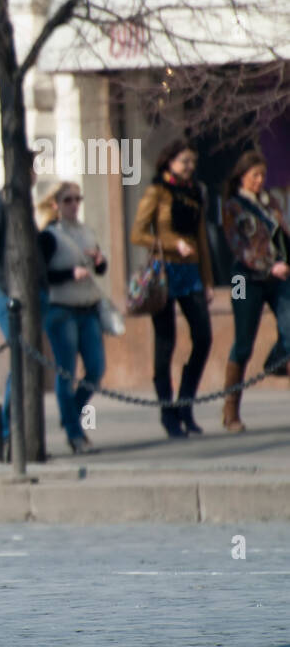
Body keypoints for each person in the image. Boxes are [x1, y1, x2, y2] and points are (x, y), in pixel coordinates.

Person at [131, 140, 213, 438]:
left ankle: (185, 404)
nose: (189, 167)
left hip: (190, 273)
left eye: (192, 162)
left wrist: (207, 280)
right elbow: (137, 234)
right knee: (165, 344)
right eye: (183, 162)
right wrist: (169, 244)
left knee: (203, 337)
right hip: (164, 273)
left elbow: (202, 238)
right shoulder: (157, 192)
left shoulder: (196, 192)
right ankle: (168, 415)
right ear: (169, 163)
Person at [0, 168, 48, 457]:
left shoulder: (24, 203)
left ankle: (24, 438)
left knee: (29, 358)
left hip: (31, 293)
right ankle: (9, 435)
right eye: (28, 168)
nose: (33, 175)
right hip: (8, 295)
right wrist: (10, 286)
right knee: (21, 358)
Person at [220, 150, 290, 431]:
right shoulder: (232, 206)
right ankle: (230, 411)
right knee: (243, 341)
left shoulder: (269, 202)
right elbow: (239, 247)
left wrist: (283, 261)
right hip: (243, 279)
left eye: (262, 175)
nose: (259, 181)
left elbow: (282, 236)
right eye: (254, 176)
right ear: (242, 176)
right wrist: (267, 266)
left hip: (277, 275)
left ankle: (275, 362)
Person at [37, 182, 107, 454]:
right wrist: (69, 274)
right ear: (55, 205)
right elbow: (40, 275)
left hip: (88, 307)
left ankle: (70, 416)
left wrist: (100, 262)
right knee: (66, 373)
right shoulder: (49, 236)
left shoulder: (87, 231)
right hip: (61, 310)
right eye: (68, 200)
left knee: (96, 369)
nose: (74, 204)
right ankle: (75, 434)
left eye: (78, 198)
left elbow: (99, 268)